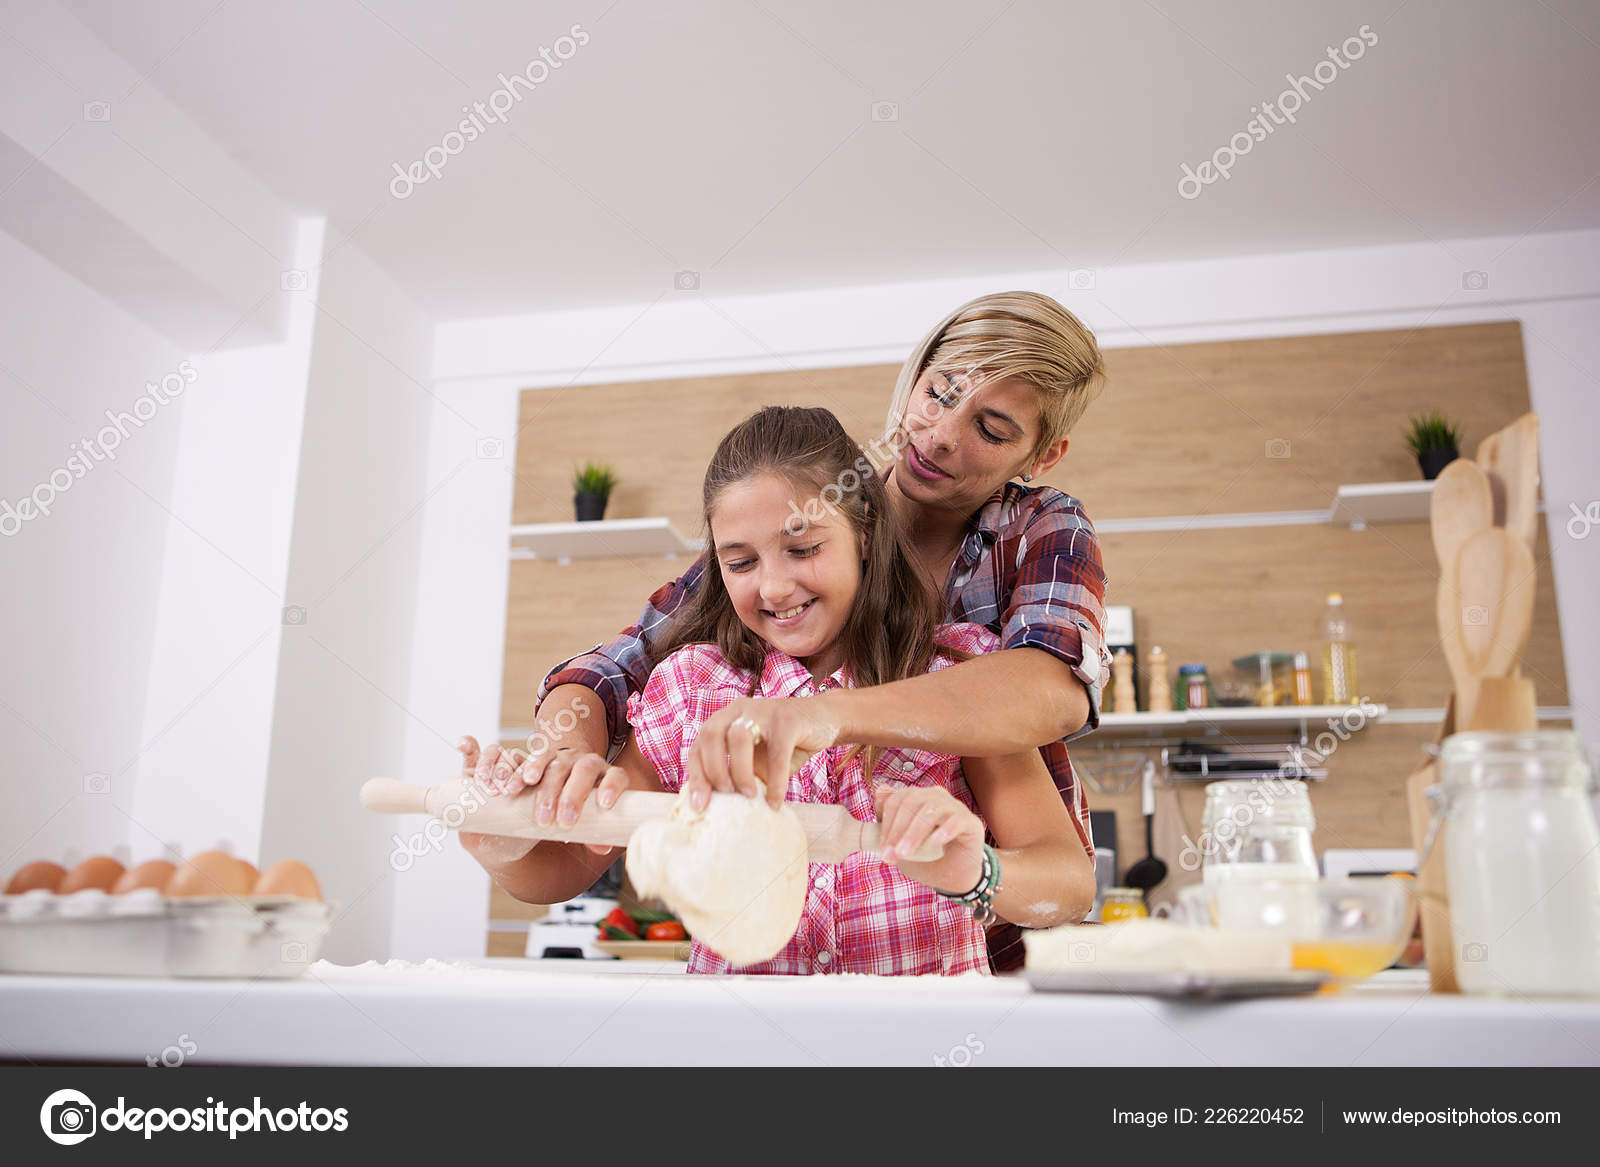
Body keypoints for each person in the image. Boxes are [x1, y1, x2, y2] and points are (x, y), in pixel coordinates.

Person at [461, 290, 1112, 971]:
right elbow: (569, 832)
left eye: (993, 427)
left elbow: (1048, 703)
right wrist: (525, 805)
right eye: (939, 394)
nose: (943, 434)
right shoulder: (696, 685)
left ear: (864, 535)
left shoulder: (971, 647)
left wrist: (970, 865)